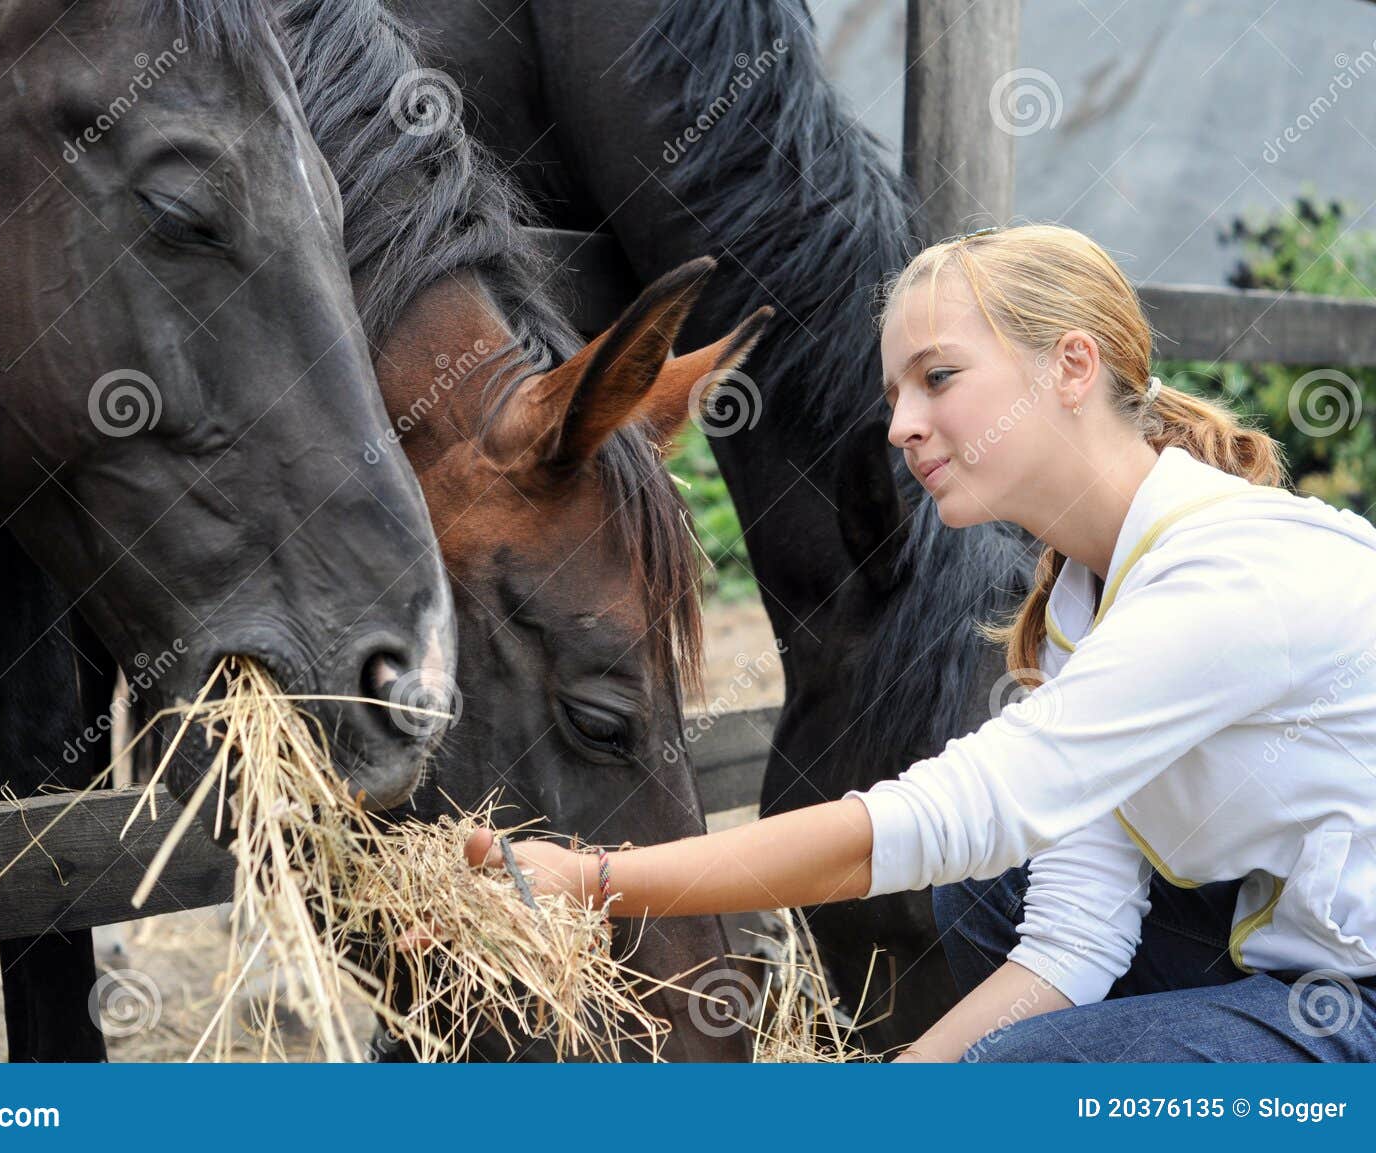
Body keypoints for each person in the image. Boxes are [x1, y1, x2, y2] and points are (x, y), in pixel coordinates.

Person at [457, 223, 1376, 1062]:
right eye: (894, 391)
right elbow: (1075, 936)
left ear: (1072, 366)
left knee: (1014, 1066)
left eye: (937, 378)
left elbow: (940, 817)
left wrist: (595, 876)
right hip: (1293, 958)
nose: (900, 425)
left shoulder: (1228, 576)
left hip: (1354, 996)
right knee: (992, 901)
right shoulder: (1087, 605)